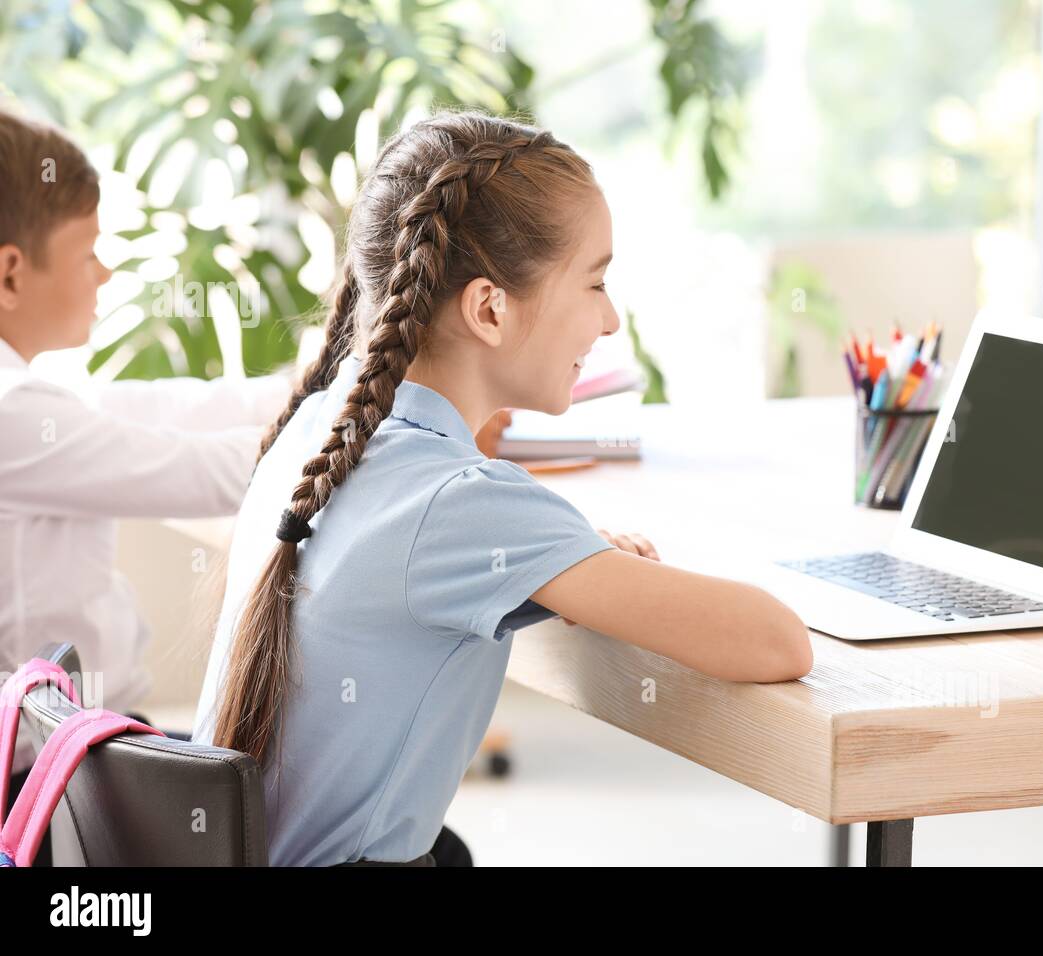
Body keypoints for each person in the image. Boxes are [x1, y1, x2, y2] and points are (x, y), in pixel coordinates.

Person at [190, 110, 812, 868]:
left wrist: (562, 562)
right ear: (489, 308)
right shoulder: (459, 503)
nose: (611, 320)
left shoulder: (317, 425)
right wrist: (552, 554)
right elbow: (777, 642)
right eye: (595, 282)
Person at [0, 108, 291, 864]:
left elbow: (154, 413)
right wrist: (361, 417)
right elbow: (206, 471)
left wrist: (308, 388)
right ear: (9, 272)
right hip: (46, 768)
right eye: (89, 253)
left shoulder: (29, 397)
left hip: (69, 742)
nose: (104, 273)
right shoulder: (13, 412)